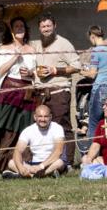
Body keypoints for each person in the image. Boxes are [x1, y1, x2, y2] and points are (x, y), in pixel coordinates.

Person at [0, 16, 38, 174]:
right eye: (16, 26)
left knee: (23, 128)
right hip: (9, 92)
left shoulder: (31, 49)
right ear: (11, 30)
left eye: (22, 26)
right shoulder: (4, 49)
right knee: (0, 127)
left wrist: (30, 73)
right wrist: (14, 57)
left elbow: (36, 72)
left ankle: (20, 162)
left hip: (27, 93)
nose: (20, 29)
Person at [32, 14, 82, 163]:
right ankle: (48, 159)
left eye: (48, 26)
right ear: (39, 28)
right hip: (41, 94)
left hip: (59, 92)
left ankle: (67, 161)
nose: (46, 29)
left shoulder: (64, 43)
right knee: (43, 128)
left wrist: (55, 70)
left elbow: (77, 66)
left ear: (55, 26)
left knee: (61, 127)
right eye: (43, 26)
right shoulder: (36, 45)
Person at [4, 103, 68, 178]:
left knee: (59, 163)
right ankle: (39, 174)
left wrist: (41, 166)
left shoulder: (57, 128)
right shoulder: (28, 130)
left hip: (51, 162)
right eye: (40, 116)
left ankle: (30, 175)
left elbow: (58, 151)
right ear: (35, 117)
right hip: (33, 164)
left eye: (46, 116)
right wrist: (21, 167)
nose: (43, 119)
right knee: (11, 163)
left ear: (50, 117)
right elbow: (17, 151)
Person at [82, 26, 107, 149]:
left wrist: (81, 71)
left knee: (94, 122)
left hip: (101, 88)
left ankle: (92, 153)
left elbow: (92, 74)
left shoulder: (96, 51)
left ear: (93, 36)